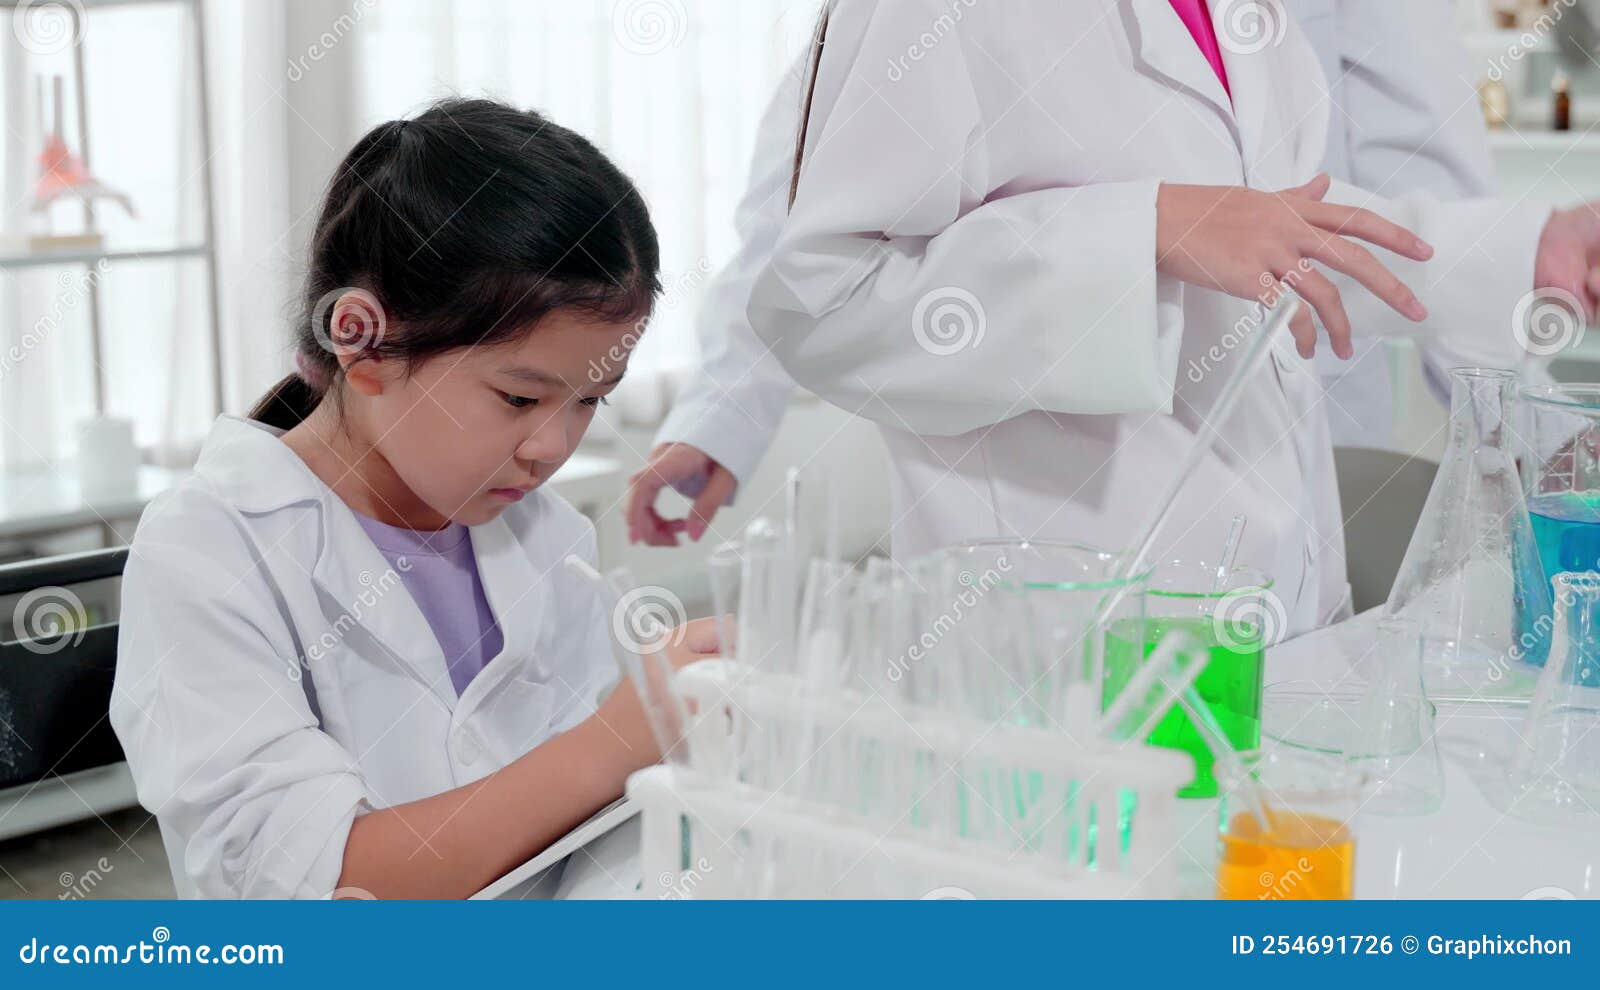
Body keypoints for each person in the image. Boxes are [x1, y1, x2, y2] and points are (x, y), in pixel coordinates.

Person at [735, 0, 1600, 637]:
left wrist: (1534, 250)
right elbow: (823, 304)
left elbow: (1280, 229)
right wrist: (1143, 228)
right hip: (1060, 647)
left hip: (1281, 619)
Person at [110, 99, 716, 899]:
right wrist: (619, 740)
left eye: (590, 401)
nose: (552, 448)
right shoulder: (208, 553)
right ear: (363, 346)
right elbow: (319, 885)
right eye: (519, 398)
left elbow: (596, 833)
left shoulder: (542, 536)